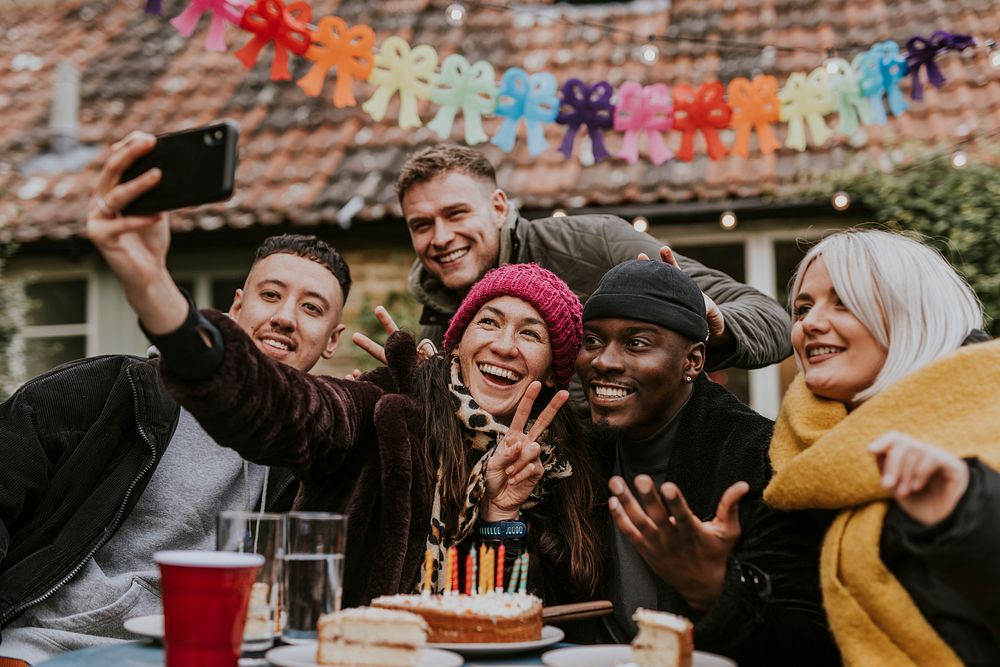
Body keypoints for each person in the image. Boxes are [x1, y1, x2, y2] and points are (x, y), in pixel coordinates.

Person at [86, 152, 604, 606]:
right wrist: (157, 292)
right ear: (458, 340)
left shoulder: (564, 471)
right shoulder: (384, 409)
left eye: (531, 334)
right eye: (488, 322)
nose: (503, 345)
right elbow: (277, 404)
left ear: (551, 369)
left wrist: (498, 514)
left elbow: (516, 623)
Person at [0, 136, 354, 665]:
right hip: (50, 648)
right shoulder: (112, 392)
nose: (284, 316)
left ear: (332, 339)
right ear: (236, 306)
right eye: (271, 294)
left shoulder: (314, 455)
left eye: (311, 307)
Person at [576, 258, 841, 666]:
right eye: (592, 340)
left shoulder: (763, 459)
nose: (603, 361)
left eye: (636, 343)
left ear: (693, 362)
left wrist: (715, 589)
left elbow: (809, 641)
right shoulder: (579, 455)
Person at [763, 229, 999, 667]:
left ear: (915, 313)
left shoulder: (989, 407)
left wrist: (964, 507)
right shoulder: (802, 456)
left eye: (844, 302)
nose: (809, 323)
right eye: (803, 307)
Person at [393, 144, 792, 374]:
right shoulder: (436, 329)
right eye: (421, 225)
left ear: (499, 207)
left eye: (456, 213)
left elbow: (772, 318)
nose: (441, 237)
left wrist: (714, 328)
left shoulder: (595, 243)